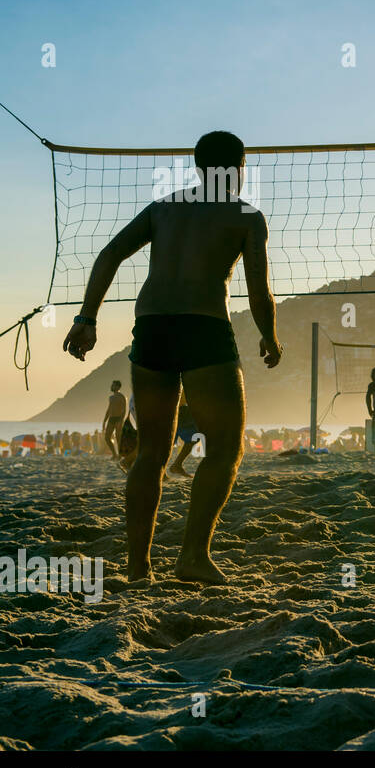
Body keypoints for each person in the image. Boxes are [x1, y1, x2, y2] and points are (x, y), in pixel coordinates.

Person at [62, 130, 282, 585]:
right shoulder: (246, 216)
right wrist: (270, 337)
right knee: (223, 449)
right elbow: (258, 292)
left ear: (198, 168)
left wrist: (87, 318)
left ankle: (139, 567)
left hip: (154, 328)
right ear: (238, 168)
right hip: (203, 328)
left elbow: (109, 254)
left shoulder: (164, 208)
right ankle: (192, 558)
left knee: (152, 452)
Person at [167, 389, 200, 478]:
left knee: (169, 441)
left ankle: (175, 466)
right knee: (193, 436)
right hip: (177, 407)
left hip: (179, 407)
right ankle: (175, 465)